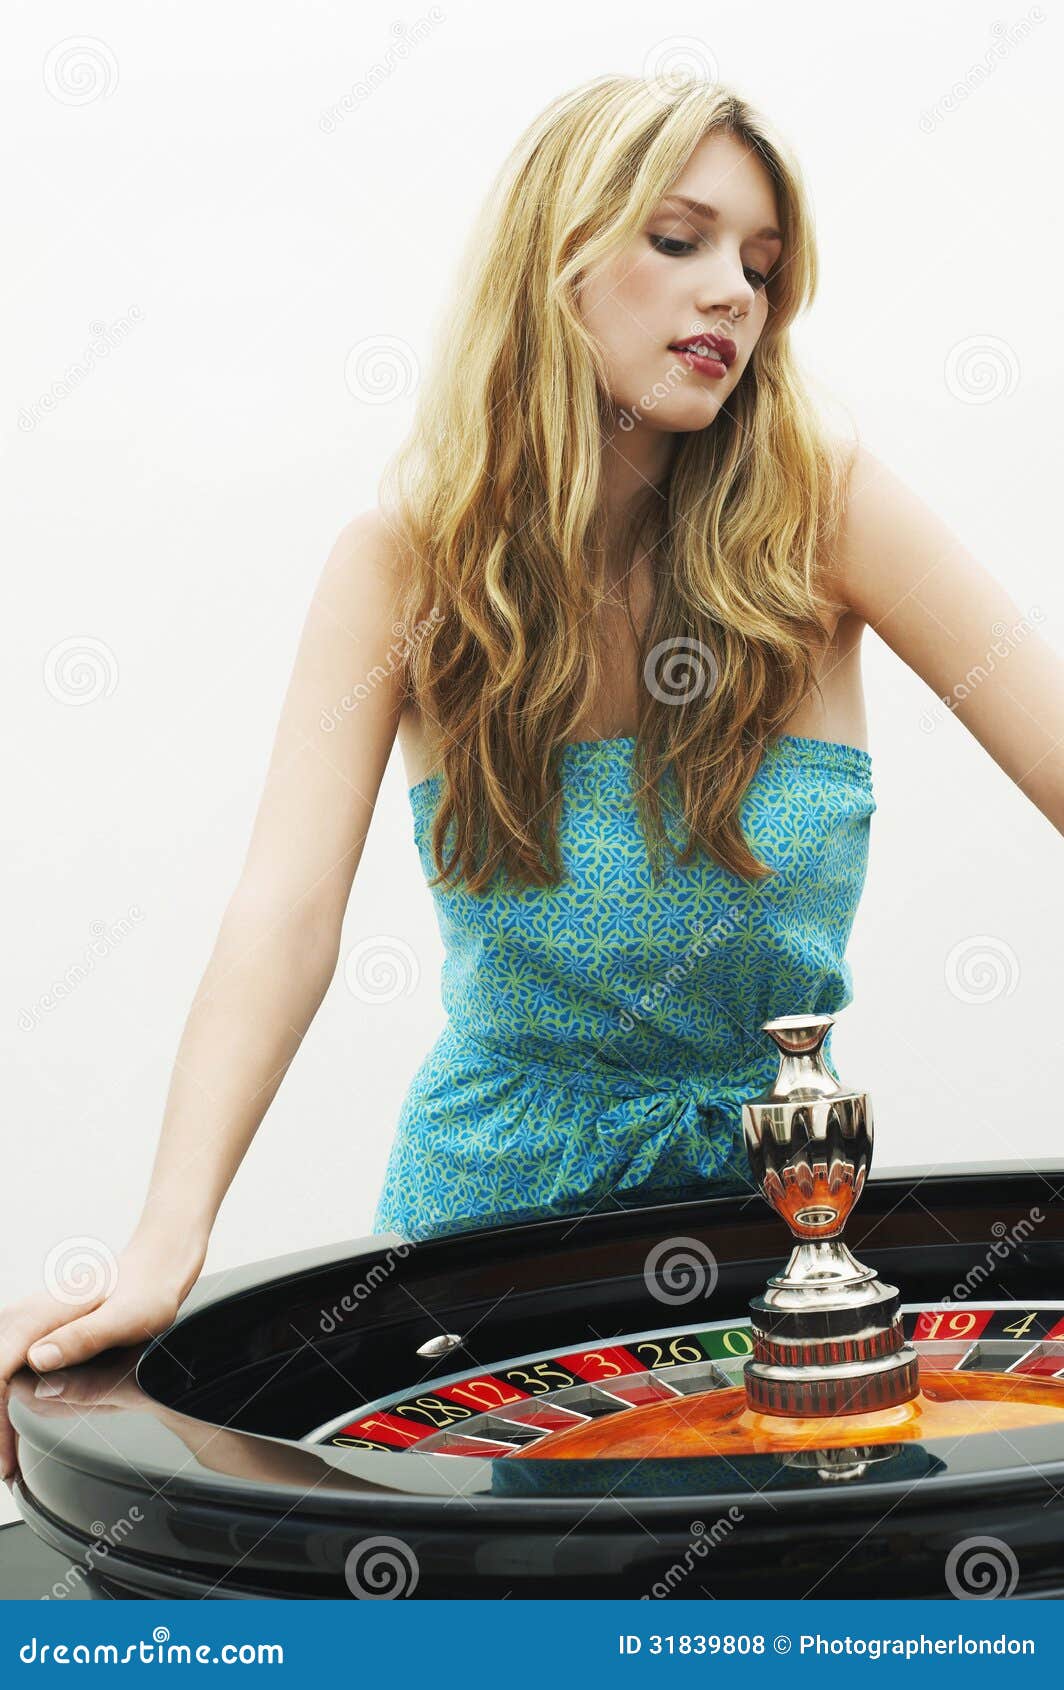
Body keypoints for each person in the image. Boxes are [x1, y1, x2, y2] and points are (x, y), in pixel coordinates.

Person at [3, 74, 1062, 1472]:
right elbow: (283, 915)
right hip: (482, 1263)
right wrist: (159, 1244)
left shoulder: (826, 508)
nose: (734, 293)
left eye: (759, 264)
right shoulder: (406, 559)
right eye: (678, 240)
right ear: (551, 262)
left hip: (784, 1233)